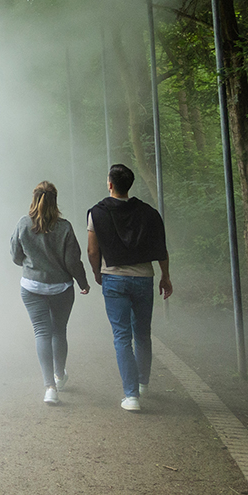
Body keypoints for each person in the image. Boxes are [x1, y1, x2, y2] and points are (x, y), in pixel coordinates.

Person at [86, 163, 172, 412]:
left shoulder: (97, 213)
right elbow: (161, 247)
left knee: (122, 336)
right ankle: (142, 384)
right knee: (142, 334)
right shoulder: (148, 213)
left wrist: (97, 272)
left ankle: (131, 395)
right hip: (143, 278)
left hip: (113, 278)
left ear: (110, 184)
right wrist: (165, 276)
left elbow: (92, 250)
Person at [10, 181, 91, 405]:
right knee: (59, 332)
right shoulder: (64, 227)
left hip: (32, 287)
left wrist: (31, 264)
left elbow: (15, 256)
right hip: (60, 288)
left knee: (41, 333)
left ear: (34, 199)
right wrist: (83, 282)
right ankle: (60, 375)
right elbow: (72, 261)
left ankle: (50, 388)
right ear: (55, 201)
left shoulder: (23, 224)